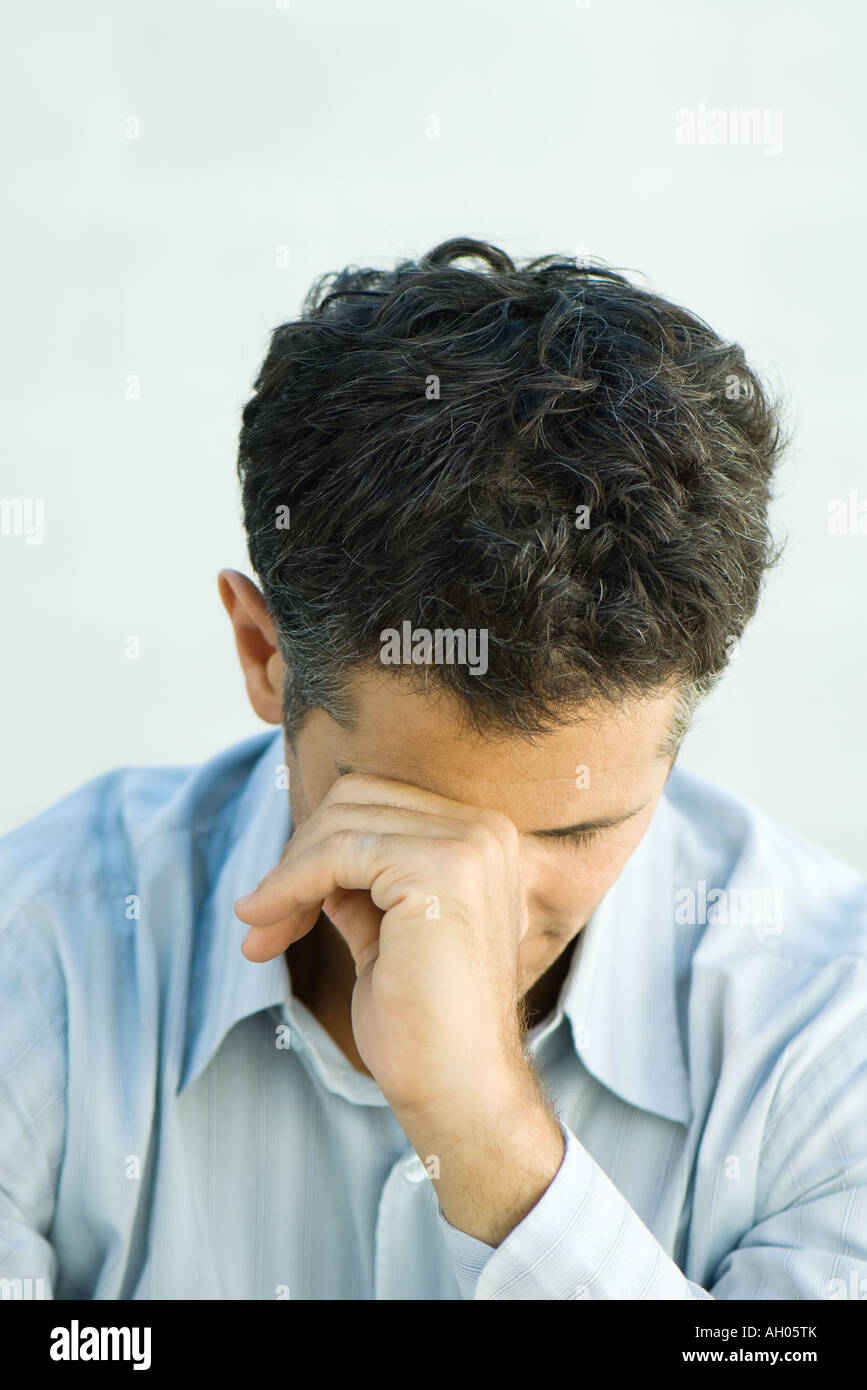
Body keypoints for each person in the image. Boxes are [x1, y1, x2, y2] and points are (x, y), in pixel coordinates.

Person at [2, 237, 865, 1301]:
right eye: (405, 814)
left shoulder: (833, 1031)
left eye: (575, 832)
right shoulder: (40, 950)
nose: (482, 909)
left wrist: (494, 1141)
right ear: (266, 656)